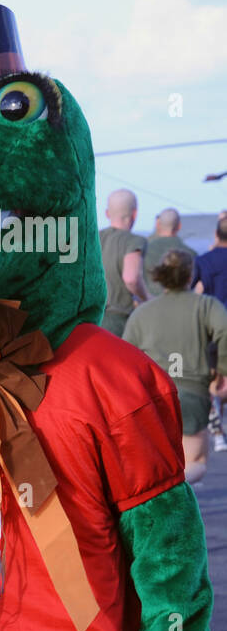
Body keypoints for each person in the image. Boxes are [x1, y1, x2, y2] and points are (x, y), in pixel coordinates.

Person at [124, 249, 227, 485]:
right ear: (191, 275)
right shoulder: (206, 306)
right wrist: (222, 371)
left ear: (160, 275)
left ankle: (161, 491)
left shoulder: (142, 313)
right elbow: (224, 329)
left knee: (155, 463)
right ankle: (169, 488)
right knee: (195, 463)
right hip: (192, 395)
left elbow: (125, 355)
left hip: (151, 397)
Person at [192, 214, 227, 450]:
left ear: (216, 235)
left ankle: (217, 433)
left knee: (214, 380)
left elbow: (196, 293)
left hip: (212, 330)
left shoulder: (203, 261)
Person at [98, 189, 146, 335]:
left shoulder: (91, 238)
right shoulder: (134, 241)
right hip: (118, 321)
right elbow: (131, 279)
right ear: (135, 214)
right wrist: (148, 298)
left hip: (90, 322)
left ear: (107, 213)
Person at [142, 208, 191, 299]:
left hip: (150, 304)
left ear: (158, 225)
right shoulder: (191, 253)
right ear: (179, 226)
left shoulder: (144, 250)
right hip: (182, 306)